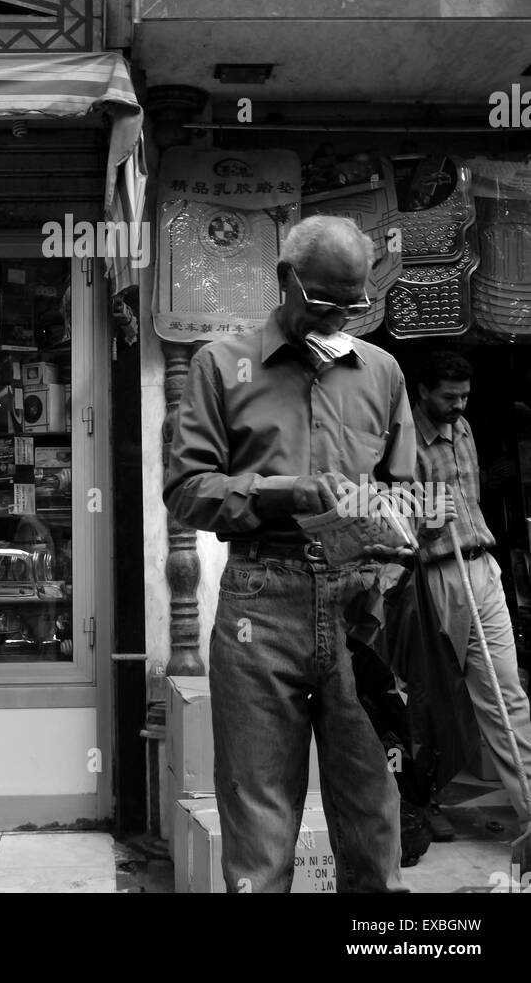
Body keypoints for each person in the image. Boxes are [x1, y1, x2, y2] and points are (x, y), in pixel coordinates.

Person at [164, 214, 416, 893]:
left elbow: (407, 494)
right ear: (286, 279)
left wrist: (391, 556)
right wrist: (288, 493)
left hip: (360, 604)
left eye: (355, 304)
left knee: (373, 818)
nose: (341, 319)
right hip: (259, 600)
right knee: (260, 827)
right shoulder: (221, 365)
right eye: (326, 302)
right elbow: (187, 493)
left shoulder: (383, 372)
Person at [412, 350, 531, 839]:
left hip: (482, 567)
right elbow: (400, 524)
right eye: (448, 396)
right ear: (423, 392)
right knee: (430, 703)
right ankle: (420, 802)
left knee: (507, 696)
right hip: (438, 576)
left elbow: (473, 498)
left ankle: (529, 809)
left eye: (465, 396)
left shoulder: (464, 428)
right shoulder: (403, 442)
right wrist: (425, 517)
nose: (459, 406)